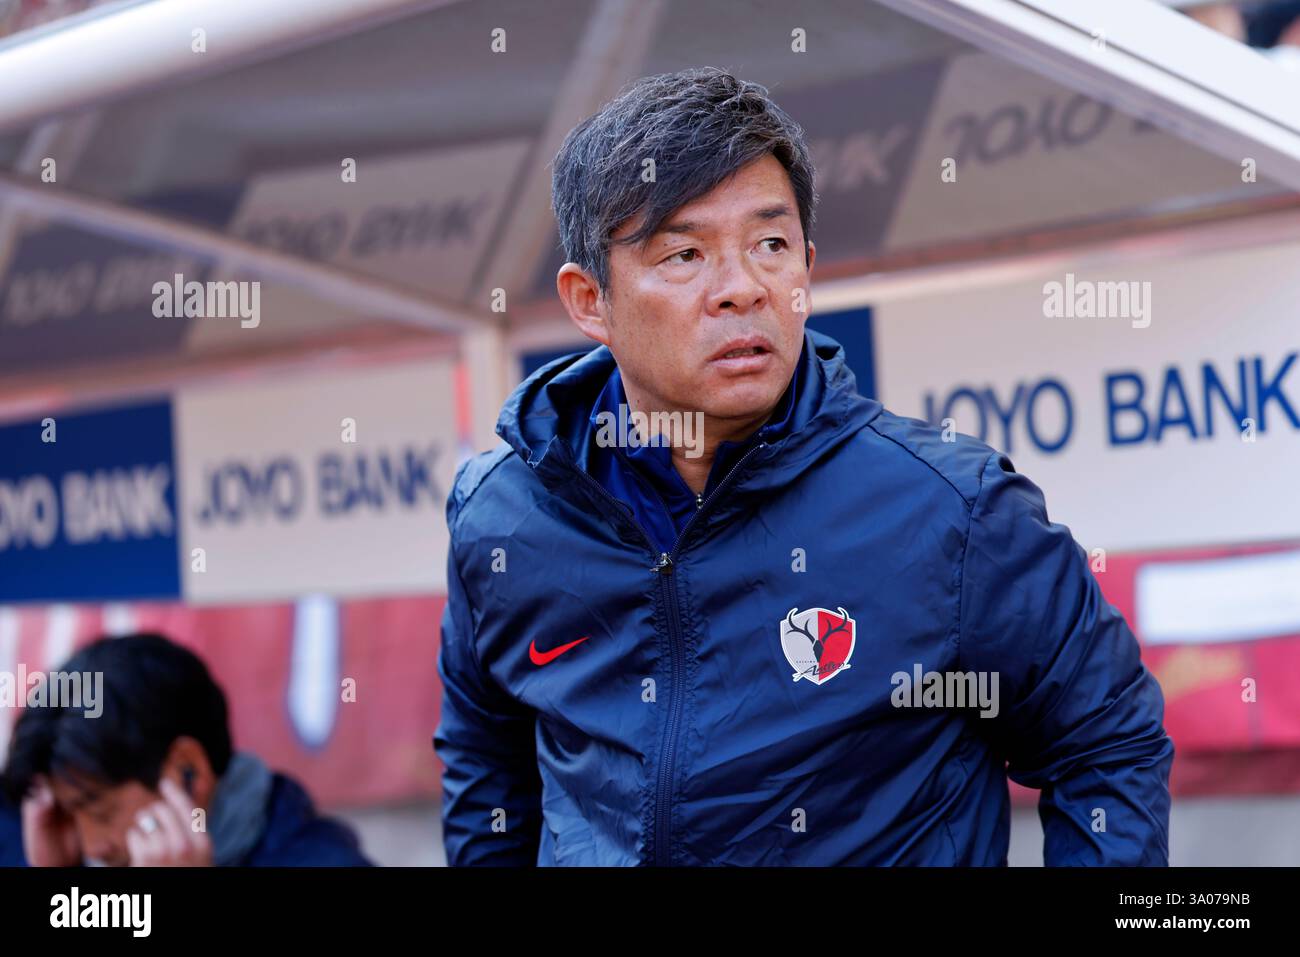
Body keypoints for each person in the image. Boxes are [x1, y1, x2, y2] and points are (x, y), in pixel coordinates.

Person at [434, 67, 1174, 866]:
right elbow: (487, 767)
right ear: (590, 301)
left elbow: (1107, 741)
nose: (743, 289)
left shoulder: (952, 510)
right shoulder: (504, 515)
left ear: (808, 268)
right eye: (684, 253)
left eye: (771, 245)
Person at [1, 633, 371, 866]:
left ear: (186, 772)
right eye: (68, 813)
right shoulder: (43, 843)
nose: (93, 846)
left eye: (101, 811)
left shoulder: (320, 858)